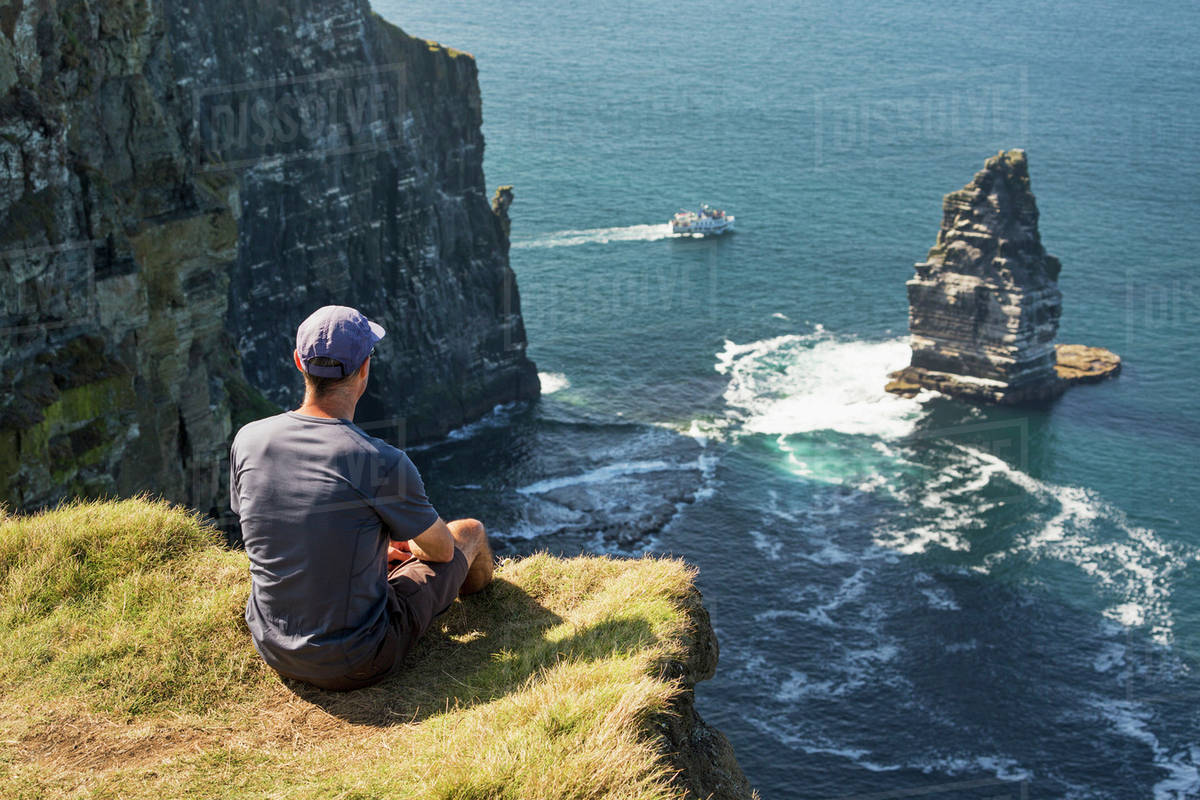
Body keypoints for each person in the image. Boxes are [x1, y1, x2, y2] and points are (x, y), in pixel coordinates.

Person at [228, 305, 494, 691]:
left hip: (271, 644)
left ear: (298, 362)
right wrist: (399, 543)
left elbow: (282, 520)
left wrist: (374, 546)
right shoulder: (379, 461)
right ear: (365, 369)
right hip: (357, 658)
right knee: (468, 532)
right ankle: (483, 603)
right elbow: (439, 551)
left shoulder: (249, 439)